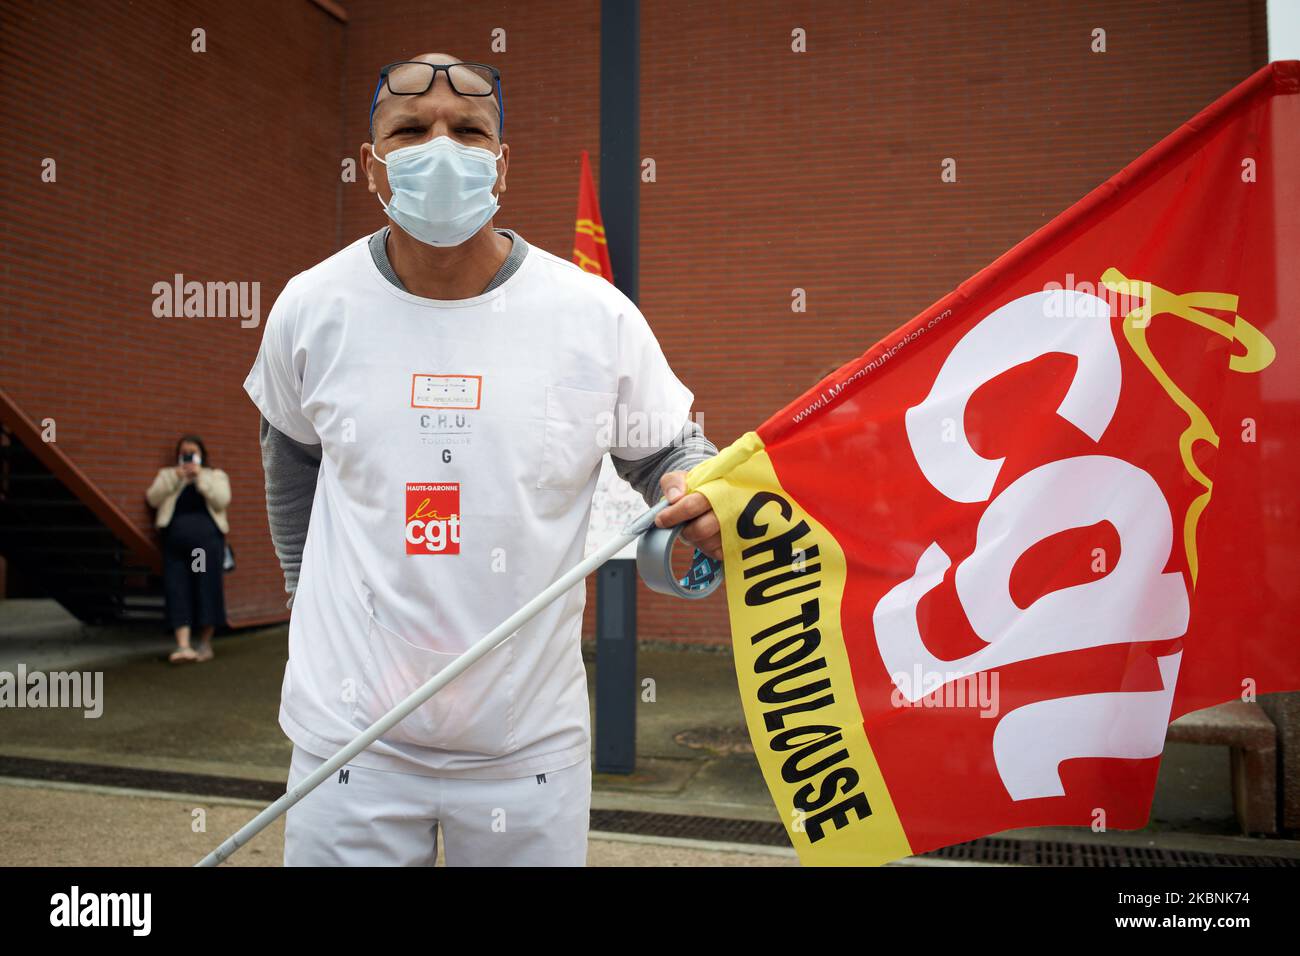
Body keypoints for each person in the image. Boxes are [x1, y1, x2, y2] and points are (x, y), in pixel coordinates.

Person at [243, 52, 722, 866]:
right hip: (348, 745)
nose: (440, 148)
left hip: (525, 751)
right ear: (371, 165)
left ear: (501, 163)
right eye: (410, 130)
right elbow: (290, 455)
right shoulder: (311, 306)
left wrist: (699, 489)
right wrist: (298, 590)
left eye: (468, 131)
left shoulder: (591, 315)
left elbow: (670, 450)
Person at [145, 435, 231, 664]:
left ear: (202, 455)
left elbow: (222, 500)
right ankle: (183, 646)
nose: (188, 457)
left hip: (203, 548)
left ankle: (204, 644)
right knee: (177, 588)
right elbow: (152, 498)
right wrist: (177, 477)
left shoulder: (214, 475)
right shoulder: (169, 475)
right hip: (175, 546)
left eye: (193, 453)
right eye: (184, 453)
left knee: (205, 587)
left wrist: (200, 478)